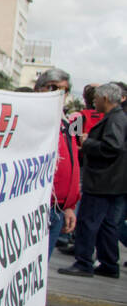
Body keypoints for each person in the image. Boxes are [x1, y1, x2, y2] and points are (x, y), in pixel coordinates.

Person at [59, 83, 126, 279]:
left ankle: (84, 261)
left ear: (104, 99)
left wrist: (87, 142)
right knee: (108, 224)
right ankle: (108, 262)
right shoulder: (116, 118)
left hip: (98, 178)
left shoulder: (80, 116)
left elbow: (72, 138)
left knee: (89, 221)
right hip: (111, 180)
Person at [33, 69, 79, 258]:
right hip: (35, 207)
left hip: (58, 209)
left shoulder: (67, 124)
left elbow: (73, 166)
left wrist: (69, 206)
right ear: (39, 90)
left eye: (64, 90)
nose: (59, 93)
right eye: (52, 87)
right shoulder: (29, 119)